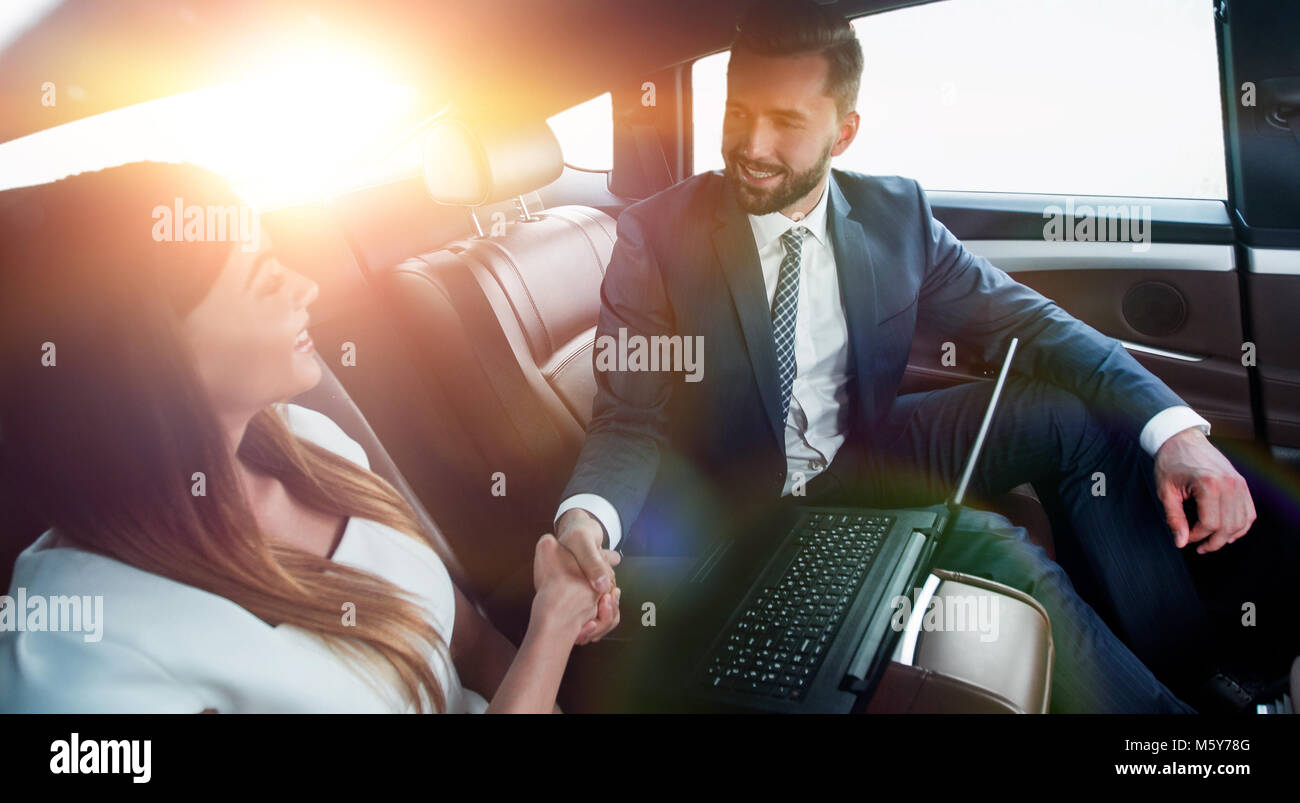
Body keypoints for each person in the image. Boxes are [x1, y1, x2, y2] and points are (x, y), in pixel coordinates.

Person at [549, 0, 1257, 712]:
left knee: (1073, 415)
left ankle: (1189, 674)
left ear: (844, 131)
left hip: (866, 448)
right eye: (739, 112)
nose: (751, 144)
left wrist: (1179, 432)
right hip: (747, 504)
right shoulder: (655, 236)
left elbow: (1035, 325)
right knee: (1005, 552)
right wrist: (586, 518)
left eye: (788, 122)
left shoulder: (897, 217)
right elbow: (630, 419)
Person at [0, 161, 613, 713]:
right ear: (153, 354)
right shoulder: (80, 657)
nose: (307, 288)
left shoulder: (309, 440)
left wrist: (551, 635)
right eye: (266, 281)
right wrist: (553, 628)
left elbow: (471, 644)